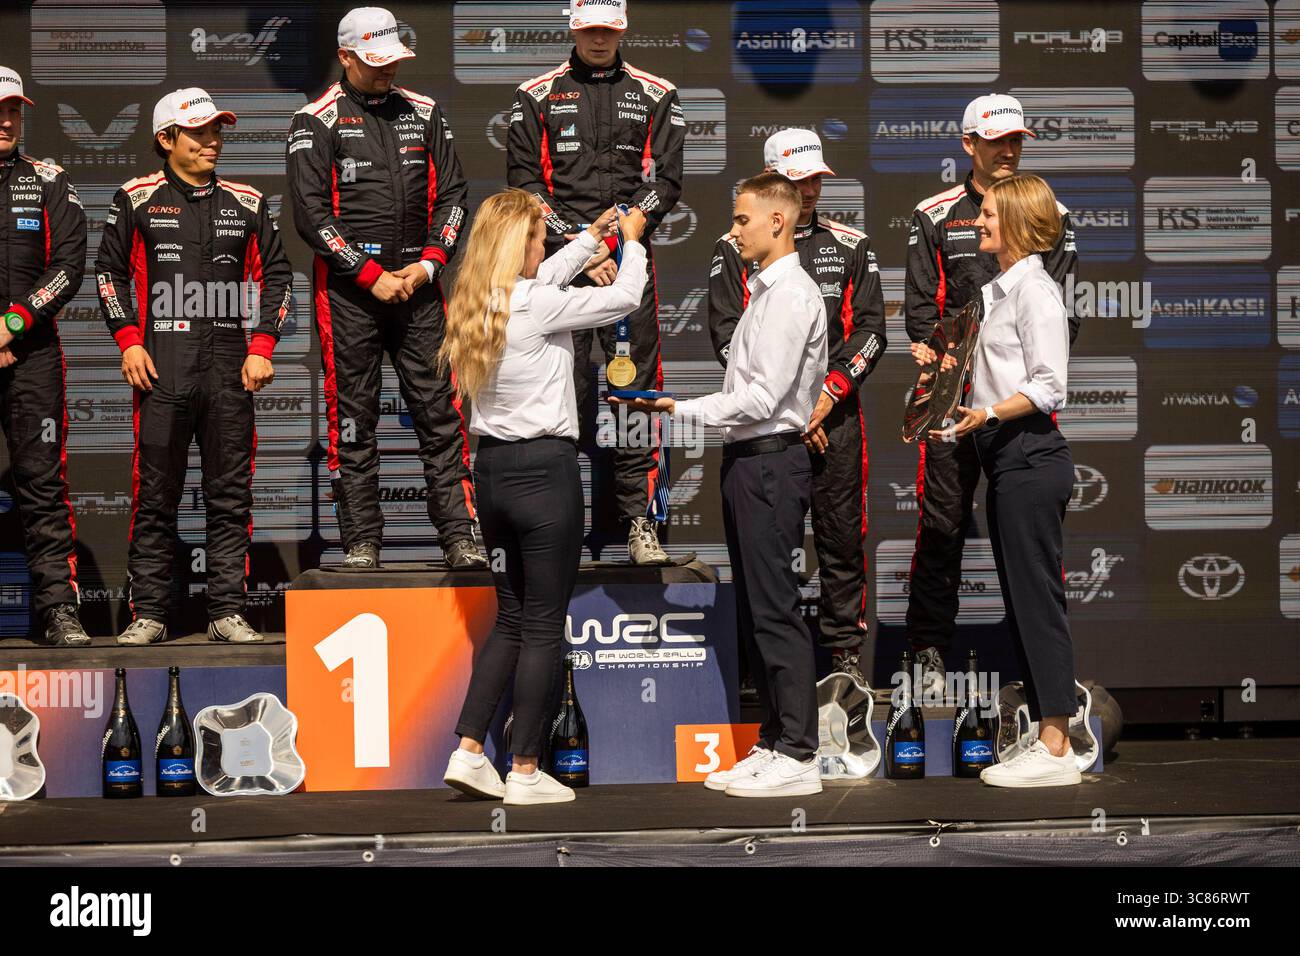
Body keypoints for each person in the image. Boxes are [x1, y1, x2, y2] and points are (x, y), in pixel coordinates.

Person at [617, 173, 827, 798]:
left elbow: (761, 398)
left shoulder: (791, 296)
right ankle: (772, 741)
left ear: (777, 223)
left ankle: (800, 753)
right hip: (746, 461)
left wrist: (676, 409)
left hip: (770, 461)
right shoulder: (763, 292)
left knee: (776, 608)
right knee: (759, 609)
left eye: (742, 219)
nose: (732, 229)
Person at [439, 191, 646, 805]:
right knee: (544, 627)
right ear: (516, 247)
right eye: (537, 239)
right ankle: (525, 771)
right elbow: (625, 298)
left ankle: (469, 751)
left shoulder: (479, 299)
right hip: (545, 477)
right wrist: (630, 239)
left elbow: (546, 277)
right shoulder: (537, 304)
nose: (544, 248)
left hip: (494, 476)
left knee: (510, 619)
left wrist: (590, 238)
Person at [287, 6, 486, 572]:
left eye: (394, 60)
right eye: (376, 63)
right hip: (351, 295)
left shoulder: (424, 113)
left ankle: (459, 537)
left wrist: (426, 267)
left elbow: (453, 197)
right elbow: (310, 213)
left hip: (419, 288)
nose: (388, 72)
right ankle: (362, 542)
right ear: (345, 57)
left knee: (440, 415)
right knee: (353, 419)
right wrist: (369, 276)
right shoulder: (315, 120)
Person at [96, 88, 292, 645]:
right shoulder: (135, 198)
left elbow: (277, 277)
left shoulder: (248, 201)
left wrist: (262, 347)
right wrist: (129, 340)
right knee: (156, 497)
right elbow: (107, 272)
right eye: (200, 131)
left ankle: (228, 609)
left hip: (230, 370)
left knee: (230, 496)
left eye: (217, 130)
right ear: (166, 139)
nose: (213, 140)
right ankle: (151, 613)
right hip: (162, 370)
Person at [904, 93, 1080, 699]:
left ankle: (1048, 682)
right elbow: (921, 311)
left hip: (1011, 407)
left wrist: (1010, 387)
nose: (1009, 150)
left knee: (1028, 552)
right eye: (997, 140)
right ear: (968, 145)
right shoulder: (935, 213)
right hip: (956, 404)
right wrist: (941, 357)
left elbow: (1061, 314)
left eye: (1017, 141)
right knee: (942, 525)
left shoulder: (1046, 211)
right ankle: (927, 654)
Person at [506, 0, 685, 565]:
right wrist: (582, 253)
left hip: (628, 265)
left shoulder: (658, 92)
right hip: (559, 268)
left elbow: (668, 184)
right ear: (573, 29)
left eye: (608, 30)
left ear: (624, 28)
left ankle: (639, 524)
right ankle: (554, 525)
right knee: (560, 395)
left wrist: (620, 243)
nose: (599, 39)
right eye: (589, 30)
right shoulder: (535, 94)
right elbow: (526, 186)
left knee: (633, 394)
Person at [708, 129, 886, 686]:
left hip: (836, 422)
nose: (808, 189)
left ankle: (844, 664)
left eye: (815, 178)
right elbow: (726, 337)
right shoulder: (733, 247)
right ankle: (767, 675)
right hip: (771, 427)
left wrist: (826, 395)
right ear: (771, 179)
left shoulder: (851, 245)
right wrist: (792, 410)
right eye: (796, 179)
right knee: (763, 554)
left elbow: (873, 333)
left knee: (840, 542)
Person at [0, 66, 88, 647]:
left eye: (13, 111)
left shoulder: (49, 179)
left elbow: (71, 265)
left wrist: (9, 326)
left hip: (30, 355)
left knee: (42, 486)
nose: (6, 121)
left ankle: (59, 610)